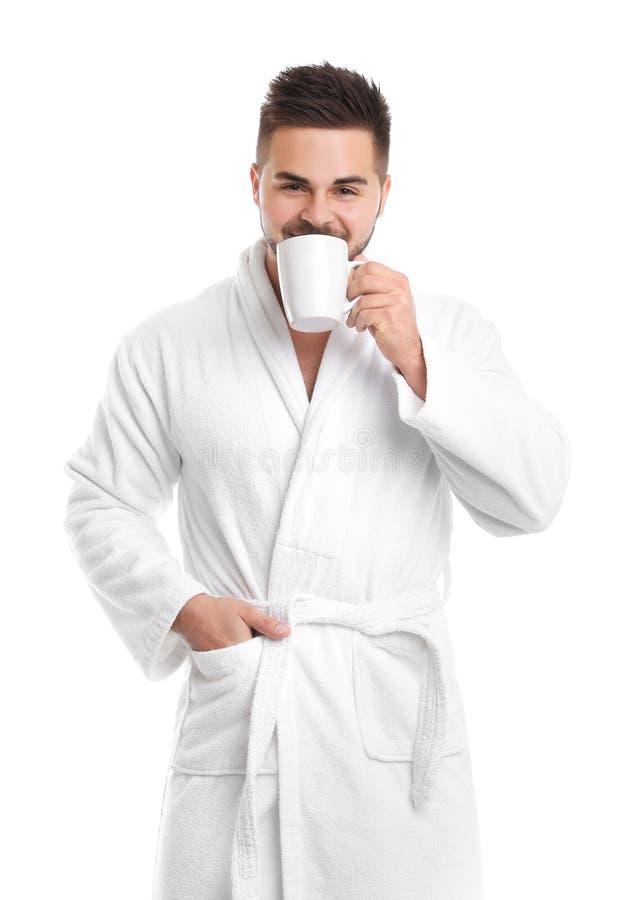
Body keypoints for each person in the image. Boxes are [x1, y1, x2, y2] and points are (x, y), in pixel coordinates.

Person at [62, 61, 571, 900]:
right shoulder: (170, 344)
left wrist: (416, 361)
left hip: (391, 741)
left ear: (383, 193)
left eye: (347, 189)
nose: (319, 216)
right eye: (293, 185)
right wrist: (185, 611)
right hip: (241, 727)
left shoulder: (448, 332)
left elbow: (537, 497)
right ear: (256, 183)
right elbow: (101, 500)